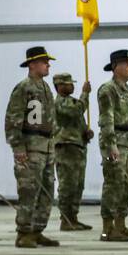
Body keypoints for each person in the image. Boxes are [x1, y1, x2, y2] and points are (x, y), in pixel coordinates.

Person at [4, 46, 59, 248]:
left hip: (46, 146)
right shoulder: (23, 88)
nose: (48, 65)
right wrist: (18, 147)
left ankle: (37, 230)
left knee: (46, 191)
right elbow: (12, 119)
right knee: (29, 190)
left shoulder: (46, 88)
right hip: (30, 146)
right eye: (44, 62)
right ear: (33, 64)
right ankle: (24, 232)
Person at [96, 49, 128, 242]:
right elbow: (107, 120)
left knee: (127, 185)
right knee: (113, 184)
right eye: (127, 64)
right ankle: (108, 228)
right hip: (115, 140)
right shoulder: (108, 89)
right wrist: (111, 145)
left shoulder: (127, 90)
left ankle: (120, 224)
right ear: (116, 67)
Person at [52, 72, 93, 231]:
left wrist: (86, 132)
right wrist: (85, 93)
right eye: (68, 83)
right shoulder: (60, 102)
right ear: (60, 86)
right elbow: (75, 112)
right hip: (66, 146)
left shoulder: (72, 102)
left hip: (77, 145)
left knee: (78, 184)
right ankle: (66, 218)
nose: (72, 86)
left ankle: (73, 217)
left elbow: (77, 120)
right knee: (67, 184)